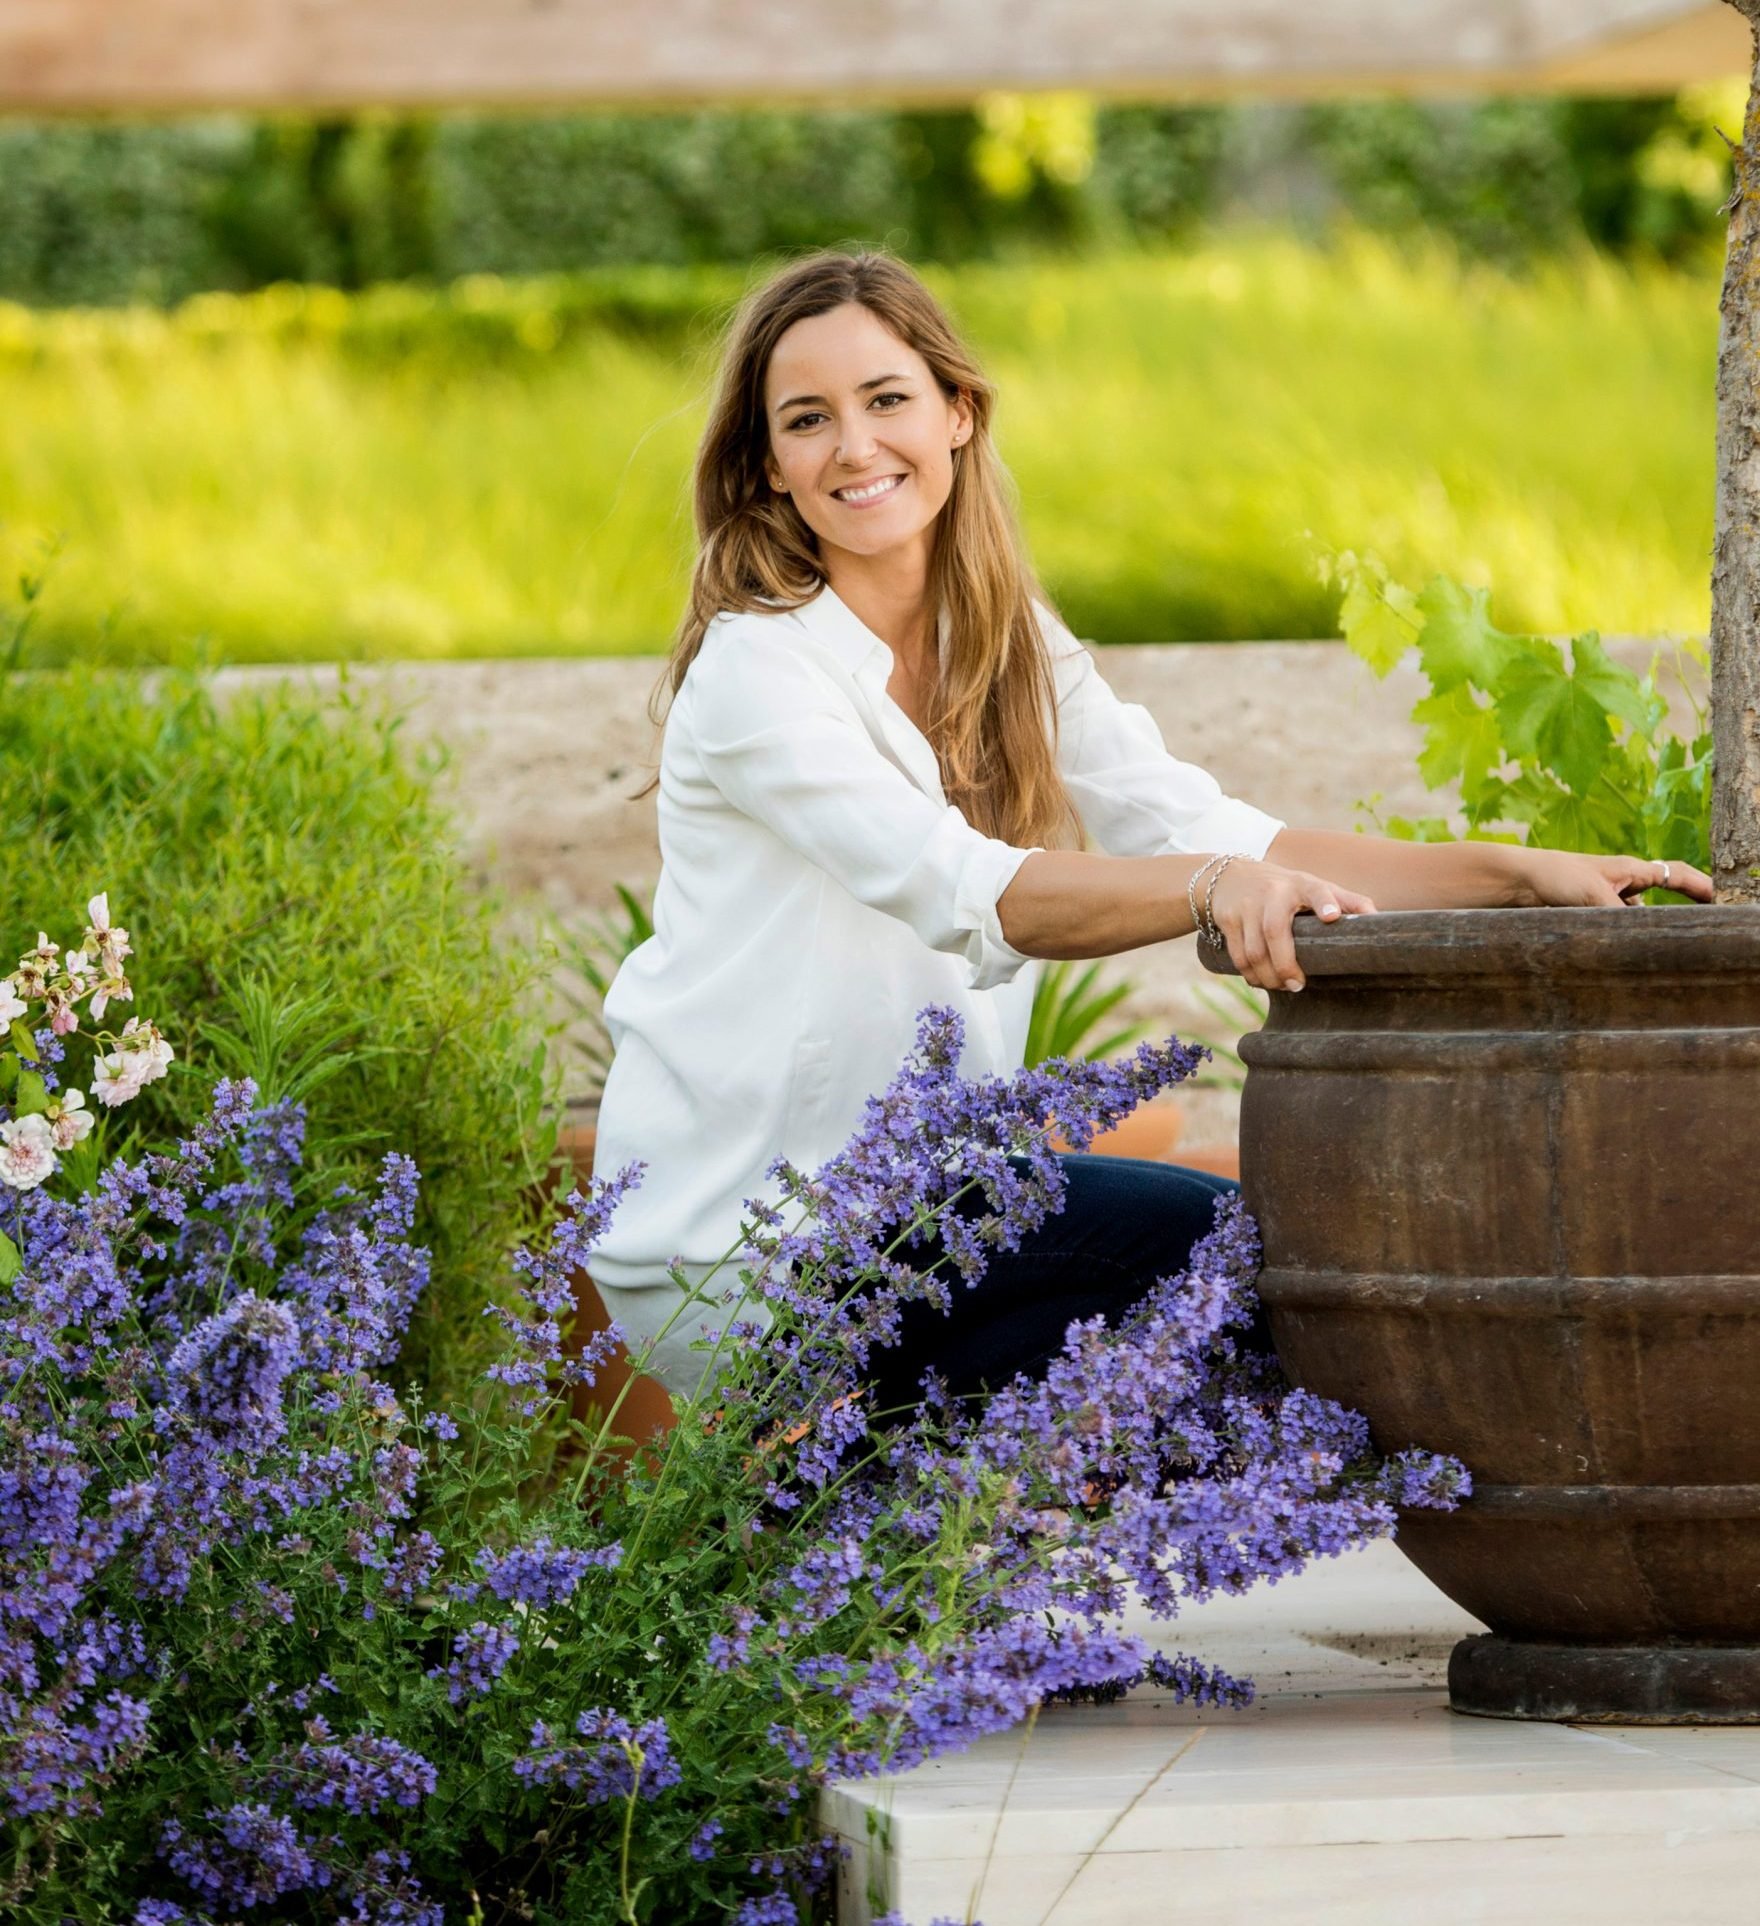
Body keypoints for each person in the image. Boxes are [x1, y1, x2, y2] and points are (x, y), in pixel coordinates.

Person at [589, 248, 1713, 1407]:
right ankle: (856, 1490)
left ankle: (858, 1524)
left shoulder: (1005, 640)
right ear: (767, 466)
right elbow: (971, 890)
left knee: (1248, 1286)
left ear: (958, 413)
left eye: (886, 401)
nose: (855, 447)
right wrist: (1204, 887)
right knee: (1242, 1252)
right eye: (807, 420)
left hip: (920, 1210)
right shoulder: (760, 673)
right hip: (745, 1240)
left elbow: (1219, 828)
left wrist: (1518, 877)